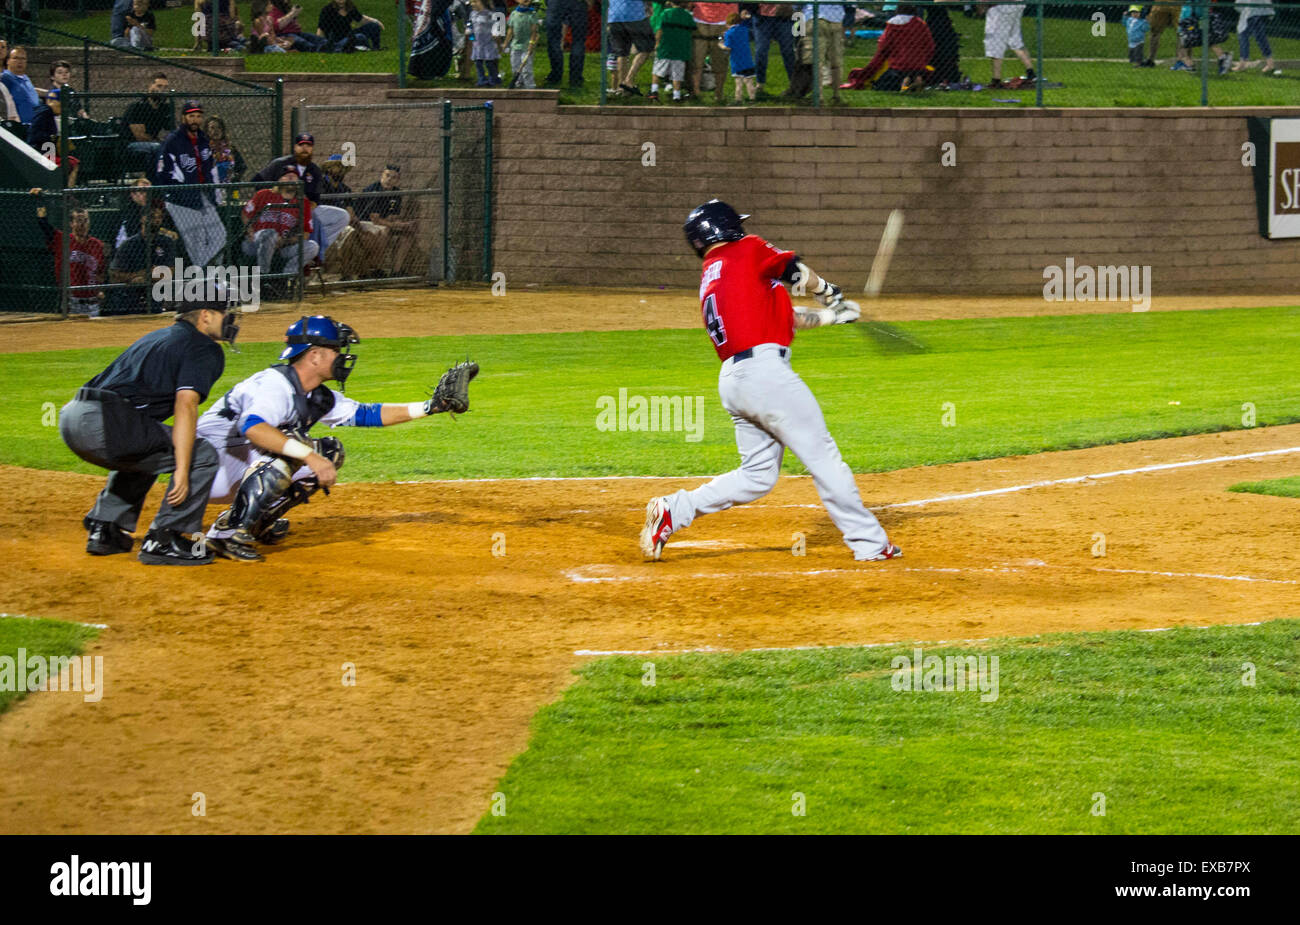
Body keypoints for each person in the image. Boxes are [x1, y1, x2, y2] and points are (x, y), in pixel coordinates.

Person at [640, 200, 901, 564]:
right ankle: (870, 545)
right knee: (824, 459)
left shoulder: (717, 273)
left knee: (757, 476)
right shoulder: (745, 250)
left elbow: (785, 317)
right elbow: (794, 270)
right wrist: (827, 289)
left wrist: (834, 317)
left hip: (736, 381)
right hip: (765, 378)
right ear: (726, 229)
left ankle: (675, 509)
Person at [196, 315, 476, 561]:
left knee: (330, 451)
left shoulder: (316, 393)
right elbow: (253, 427)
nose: (343, 357)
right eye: (336, 350)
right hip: (205, 471)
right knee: (298, 447)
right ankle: (227, 535)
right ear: (314, 355)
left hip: (237, 467)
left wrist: (431, 407)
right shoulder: (274, 385)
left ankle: (252, 523)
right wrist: (308, 455)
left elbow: (367, 414)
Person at [57, 298, 239, 566]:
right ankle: (165, 539)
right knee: (201, 454)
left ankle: (105, 528)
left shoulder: (159, 336)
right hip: (107, 423)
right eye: (224, 314)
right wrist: (182, 468)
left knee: (150, 446)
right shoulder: (203, 347)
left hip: (73, 417)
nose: (230, 321)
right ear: (206, 315)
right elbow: (186, 405)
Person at [251, 132, 351, 261]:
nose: (305, 148)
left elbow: (314, 199)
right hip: (276, 207)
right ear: (295, 147)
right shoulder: (280, 163)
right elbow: (256, 182)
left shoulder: (314, 170)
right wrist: (275, 196)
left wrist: (305, 213)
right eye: (301, 145)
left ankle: (316, 251)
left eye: (308, 146)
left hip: (303, 208)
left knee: (342, 216)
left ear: (312, 148)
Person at [154, 99, 227, 269]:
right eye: (191, 116)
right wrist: (177, 190)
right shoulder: (173, 141)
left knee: (220, 236)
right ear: (183, 118)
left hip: (203, 196)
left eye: (198, 116)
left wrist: (215, 194)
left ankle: (210, 276)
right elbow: (162, 171)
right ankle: (207, 282)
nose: (195, 120)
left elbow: (210, 169)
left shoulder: (202, 138)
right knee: (197, 243)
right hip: (181, 200)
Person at [31, 194, 105, 316]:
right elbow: (43, 223)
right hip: (72, 302)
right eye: (78, 221)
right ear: (71, 223)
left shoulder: (97, 245)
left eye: (85, 220)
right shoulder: (62, 239)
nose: (82, 224)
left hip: (93, 302)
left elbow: (101, 272)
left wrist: (101, 290)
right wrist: (39, 202)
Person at [240, 166, 319, 275]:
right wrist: (250, 232)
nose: (290, 178)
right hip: (256, 243)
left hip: (283, 247)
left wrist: (285, 241)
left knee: (312, 246)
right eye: (287, 176)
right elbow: (245, 214)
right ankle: (264, 276)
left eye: (294, 177)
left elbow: (305, 233)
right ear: (279, 180)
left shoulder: (303, 202)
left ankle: (288, 276)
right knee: (270, 234)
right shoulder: (263, 194)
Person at [106, 201, 179, 315]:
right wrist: (138, 276)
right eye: (152, 216)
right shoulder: (129, 244)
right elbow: (114, 274)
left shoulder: (166, 242)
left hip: (157, 296)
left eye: (159, 217)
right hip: (131, 299)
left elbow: (170, 271)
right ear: (142, 219)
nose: (156, 220)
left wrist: (147, 277)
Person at [841, 3, 933, 91]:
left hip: (899, 64)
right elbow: (930, 44)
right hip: (918, 63)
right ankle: (915, 78)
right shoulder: (921, 24)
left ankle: (904, 82)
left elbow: (885, 45)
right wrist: (925, 59)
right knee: (916, 71)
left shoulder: (893, 24)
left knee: (880, 85)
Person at [356, 164, 416, 274]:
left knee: (408, 232)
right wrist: (396, 225)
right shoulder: (373, 190)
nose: (389, 179)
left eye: (393, 177)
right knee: (385, 230)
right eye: (387, 175)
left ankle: (396, 271)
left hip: (383, 223)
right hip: (365, 223)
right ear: (382, 175)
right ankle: (376, 269)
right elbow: (375, 220)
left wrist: (404, 224)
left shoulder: (396, 193)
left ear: (397, 180)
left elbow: (392, 217)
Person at [122, 73, 175, 169]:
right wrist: (162, 143)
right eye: (159, 86)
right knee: (158, 148)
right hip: (131, 144)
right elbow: (140, 136)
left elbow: (171, 129)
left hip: (153, 142)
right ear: (150, 86)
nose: (162, 90)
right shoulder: (137, 107)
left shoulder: (164, 108)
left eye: (165, 87)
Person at [797, 2, 846, 102]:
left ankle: (818, 95)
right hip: (836, 19)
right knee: (836, 61)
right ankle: (836, 94)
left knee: (816, 60)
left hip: (814, 17)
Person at [982, 2, 1035, 89]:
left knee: (996, 41)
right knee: (1015, 39)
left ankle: (996, 80)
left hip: (1001, 7)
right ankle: (1031, 73)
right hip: (1016, 5)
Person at [650, 0, 694, 101]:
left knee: (657, 71)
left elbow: (659, 29)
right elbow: (692, 29)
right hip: (680, 49)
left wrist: (657, 43)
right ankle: (676, 95)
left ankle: (654, 91)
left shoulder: (665, 13)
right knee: (677, 74)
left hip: (665, 47)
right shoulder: (687, 15)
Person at [691, 2, 735, 104]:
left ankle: (719, 95)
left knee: (720, 64)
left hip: (723, 22)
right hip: (700, 21)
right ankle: (696, 95)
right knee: (696, 63)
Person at [544, 0, 595, 88]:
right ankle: (575, 77)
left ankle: (556, 74)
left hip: (556, 4)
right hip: (578, 3)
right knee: (578, 40)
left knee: (554, 40)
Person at [609, 0, 655, 95]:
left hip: (614, 16)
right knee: (647, 48)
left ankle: (622, 88)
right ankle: (628, 80)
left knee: (621, 53)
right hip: (635, 15)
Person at [752, 2, 795, 100]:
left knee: (788, 51)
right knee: (761, 51)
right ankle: (760, 85)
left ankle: (794, 86)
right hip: (762, 17)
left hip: (783, 16)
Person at [317, 0, 384, 51]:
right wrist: (320, 45)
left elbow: (361, 18)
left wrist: (376, 21)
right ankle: (359, 47)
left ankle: (376, 49)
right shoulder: (327, 10)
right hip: (337, 40)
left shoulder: (349, 8)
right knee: (360, 37)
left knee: (373, 26)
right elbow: (321, 29)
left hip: (350, 35)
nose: (341, 1)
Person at [719, 10, 756, 103]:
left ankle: (738, 99)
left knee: (738, 83)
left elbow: (728, 47)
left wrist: (720, 44)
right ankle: (752, 98)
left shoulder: (729, 33)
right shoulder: (744, 29)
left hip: (737, 62)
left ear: (728, 23)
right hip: (748, 61)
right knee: (749, 82)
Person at [504, 0, 541, 89]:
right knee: (515, 65)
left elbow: (534, 31)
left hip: (527, 45)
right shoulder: (514, 14)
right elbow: (510, 30)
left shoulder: (532, 14)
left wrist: (531, 43)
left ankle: (529, 86)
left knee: (526, 68)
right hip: (515, 45)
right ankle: (518, 83)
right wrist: (506, 43)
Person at [1, 46, 39, 127]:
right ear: (8, 61)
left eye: (23, 59)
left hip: (34, 125)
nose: (20, 61)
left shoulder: (26, 78)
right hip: (18, 127)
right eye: (16, 58)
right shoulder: (5, 78)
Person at [467, 0, 503, 86]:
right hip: (477, 43)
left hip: (488, 42)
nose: (472, 4)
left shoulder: (490, 14)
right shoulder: (473, 14)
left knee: (489, 62)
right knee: (478, 62)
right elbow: (470, 23)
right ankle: (481, 79)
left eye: (475, 1)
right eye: (471, 2)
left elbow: (495, 25)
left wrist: (496, 35)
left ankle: (493, 79)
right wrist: (469, 30)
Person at [1233, 0, 1274, 72]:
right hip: (1260, 13)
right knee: (1261, 39)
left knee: (1243, 36)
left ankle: (1243, 63)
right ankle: (1270, 63)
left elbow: (1238, 4)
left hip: (1251, 14)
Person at [205, 114, 246, 183]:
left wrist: (235, 177)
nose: (216, 131)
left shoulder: (231, 148)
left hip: (229, 186)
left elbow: (242, 166)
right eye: (212, 128)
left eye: (219, 127)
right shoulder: (205, 149)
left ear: (223, 130)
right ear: (207, 131)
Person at [1144, 2, 1180, 66]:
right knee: (1154, 31)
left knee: (1181, 31)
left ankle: (1181, 59)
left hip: (1176, 4)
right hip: (1161, 4)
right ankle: (1150, 59)